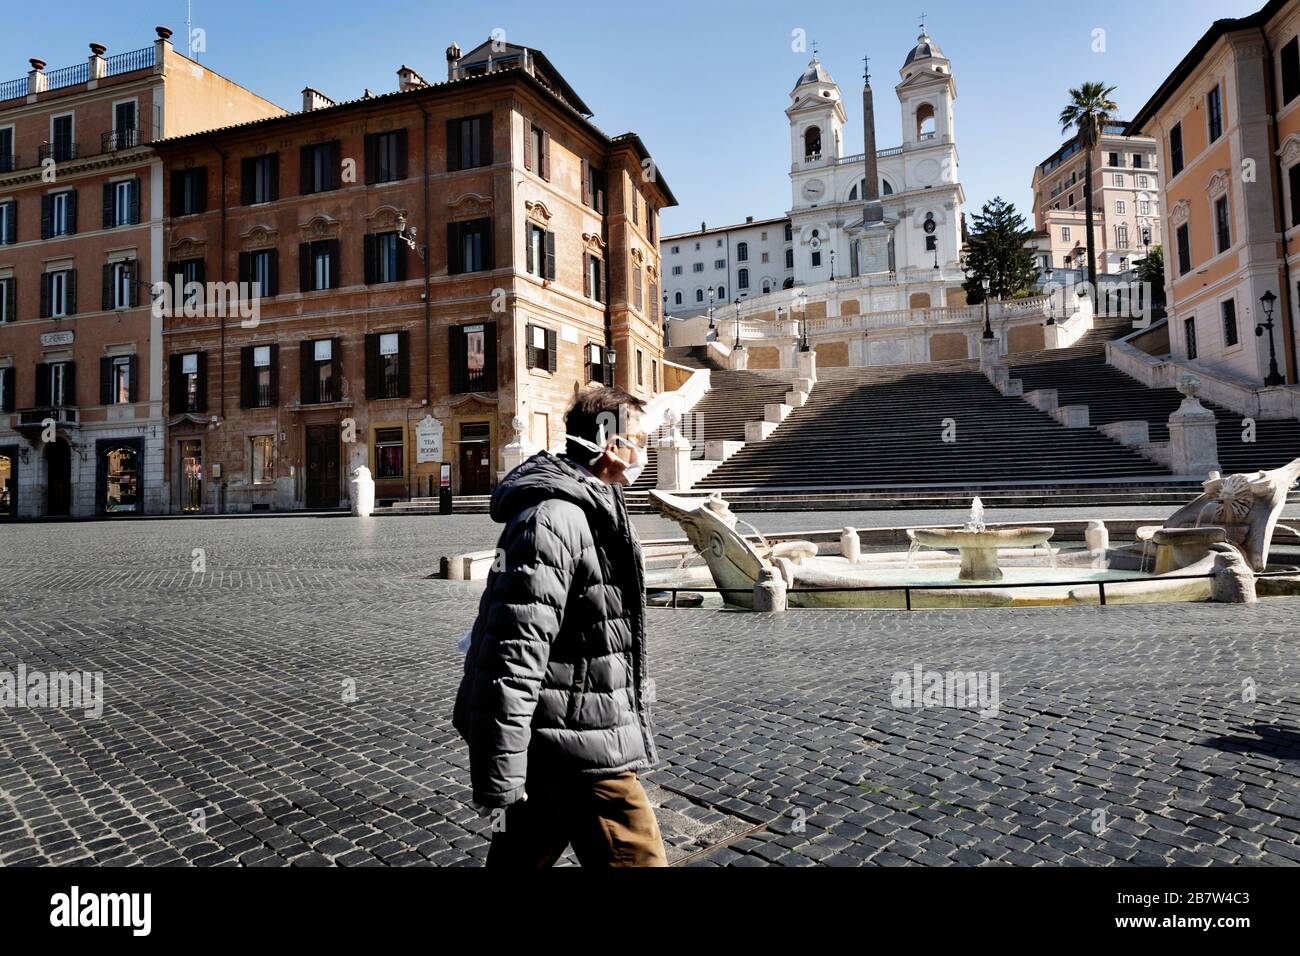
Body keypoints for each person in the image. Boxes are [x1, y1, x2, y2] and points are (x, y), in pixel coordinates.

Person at [452, 385, 667, 867]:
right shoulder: (554, 518)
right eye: (642, 439)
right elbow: (513, 650)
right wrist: (500, 771)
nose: (645, 451)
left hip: (565, 734)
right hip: (579, 746)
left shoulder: (594, 501)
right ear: (612, 444)